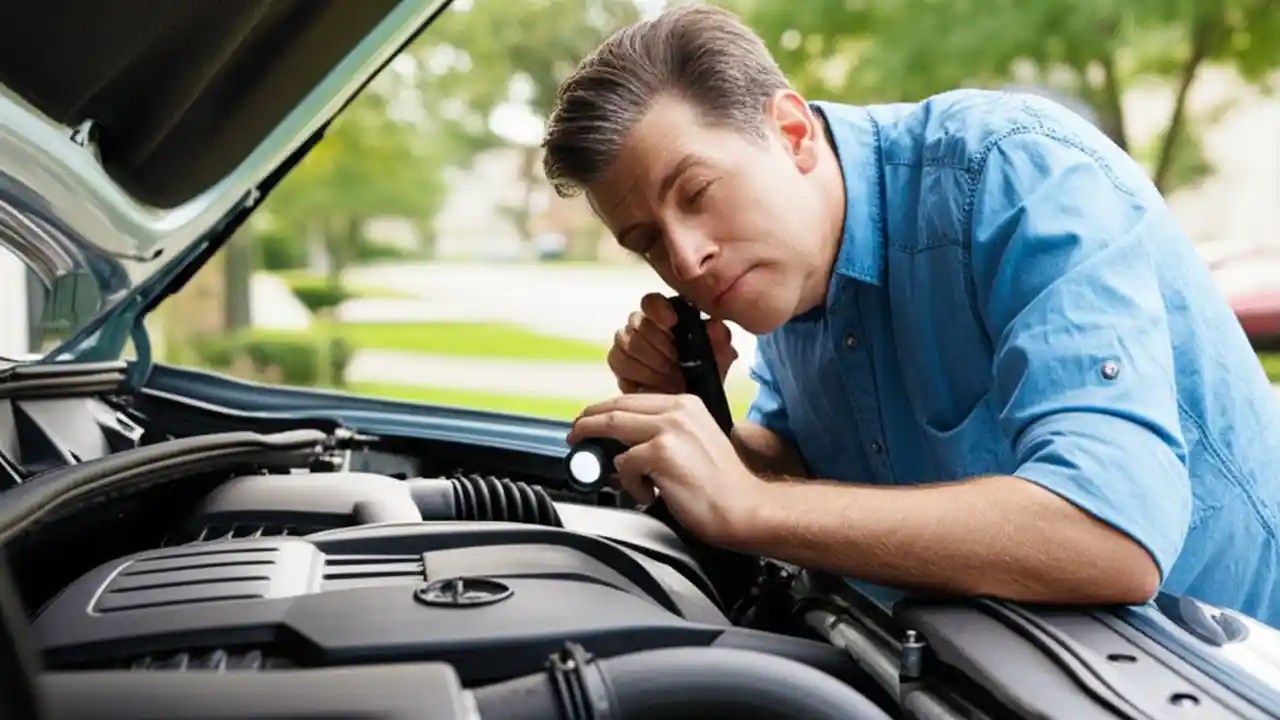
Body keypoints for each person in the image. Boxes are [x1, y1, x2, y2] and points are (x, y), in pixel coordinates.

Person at [543, 3, 1280, 626]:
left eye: (697, 192)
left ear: (792, 132)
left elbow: (1111, 533)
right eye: (646, 243)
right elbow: (809, 474)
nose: (686, 259)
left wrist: (749, 508)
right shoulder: (788, 273)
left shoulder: (1012, 174)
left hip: (1218, 677)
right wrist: (700, 427)